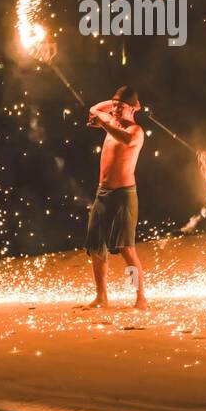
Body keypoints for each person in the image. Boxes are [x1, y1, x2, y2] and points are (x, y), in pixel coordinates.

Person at [82, 85, 147, 308]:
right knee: (96, 247)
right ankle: (101, 296)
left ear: (133, 108)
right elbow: (93, 109)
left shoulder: (135, 131)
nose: (116, 109)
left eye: (121, 106)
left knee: (127, 249)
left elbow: (126, 140)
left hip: (124, 195)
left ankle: (140, 298)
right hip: (103, 193)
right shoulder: (111, 123)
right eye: (114, 105)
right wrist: (115, 105)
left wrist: (107, 121)